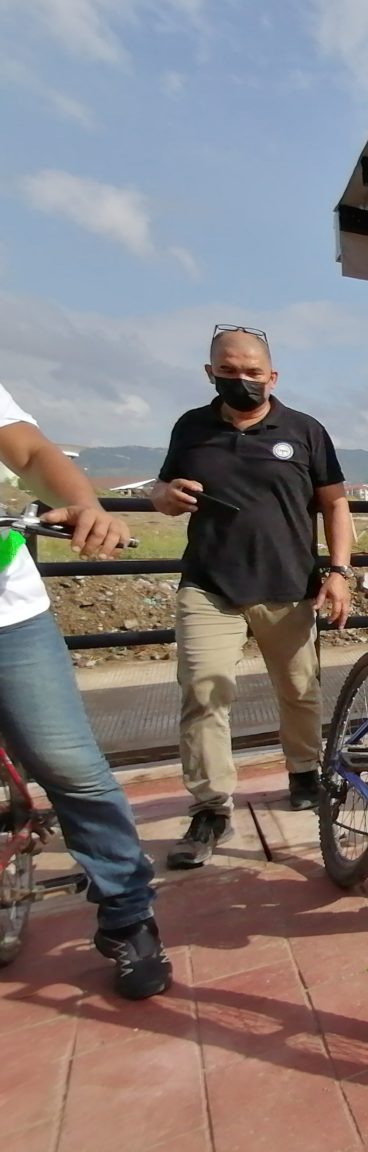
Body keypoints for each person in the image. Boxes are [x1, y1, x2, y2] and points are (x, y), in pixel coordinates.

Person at [150, 326, 354, 868]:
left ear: (273, 376)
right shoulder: (190, 428)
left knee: (300, 691)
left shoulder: (305, 431)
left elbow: (335, 506)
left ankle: (304, 773)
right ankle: (212, 807)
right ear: (210, 372)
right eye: (229, 371)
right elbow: (162, 491)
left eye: (252, 372)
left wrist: (338, 572)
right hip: (209, 585)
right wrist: (163, 496)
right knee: (203, 694)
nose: (241, 380)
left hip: (289, 587)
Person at [0, 383, 171, 998]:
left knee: (69, 765)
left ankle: (128, 916)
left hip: (7, 616)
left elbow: (29, 453)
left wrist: (82, 502)